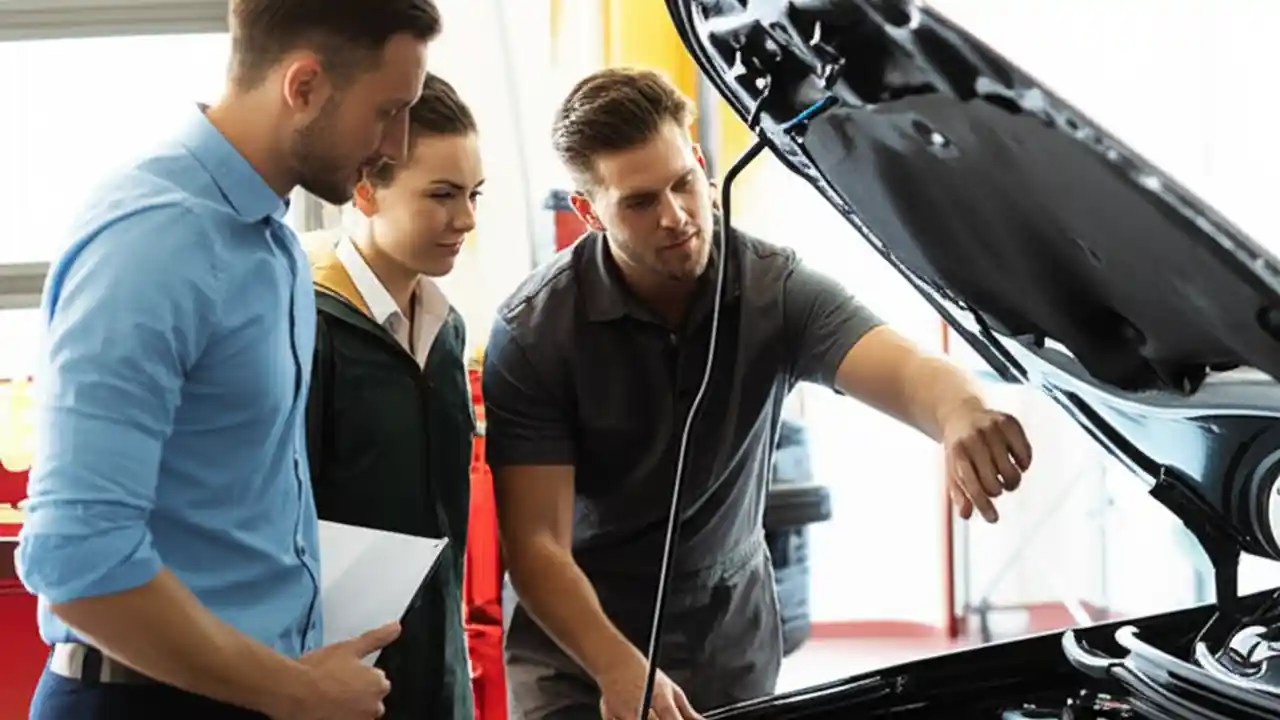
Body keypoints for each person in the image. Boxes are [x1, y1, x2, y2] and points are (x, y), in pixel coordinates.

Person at [481, 67, 1036, 720]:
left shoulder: (775, 288)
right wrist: (618, 667)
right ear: (588, 211)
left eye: (684, 182)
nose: (677, 217)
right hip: (578, 647)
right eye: (639, 202)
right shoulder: (532, 333)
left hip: (728, 638)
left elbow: (908, 368)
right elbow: (536, 546)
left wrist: (961, 410)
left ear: (700, 163)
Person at [15, 1, 442, 718]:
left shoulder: (269, 242)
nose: (396, 144)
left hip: (236, 689)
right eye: (387, 111)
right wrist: (299, 693)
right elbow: (78, 561)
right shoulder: (158, 240)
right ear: (303, 87)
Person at [302, 72, 484, 720]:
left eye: (472, 194)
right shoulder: (307, 324)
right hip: (327, 684)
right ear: (364, 190)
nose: (465, 219)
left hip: (436, 675)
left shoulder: (446, 330)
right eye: (441, 195)